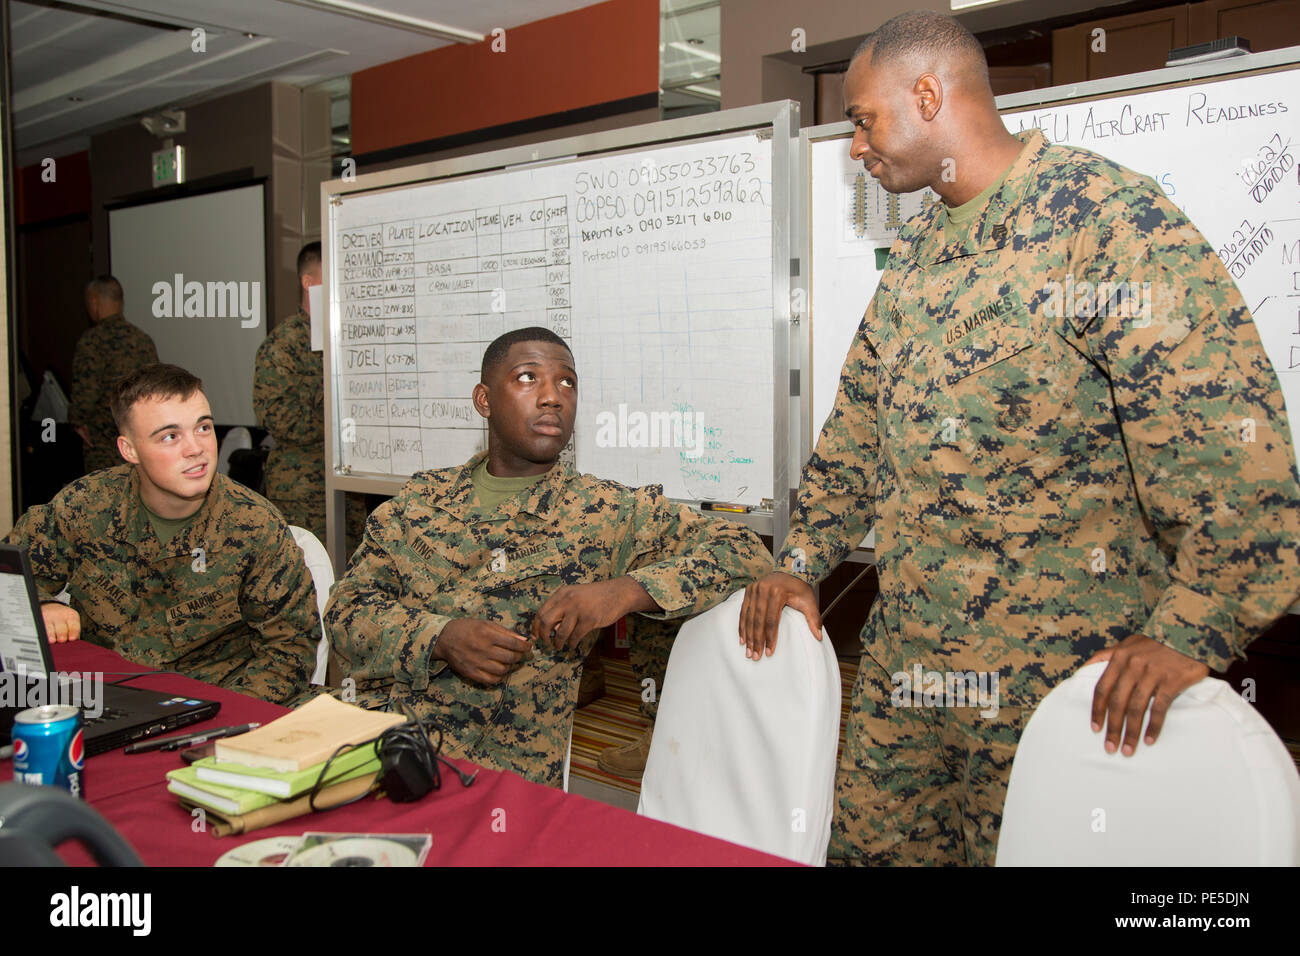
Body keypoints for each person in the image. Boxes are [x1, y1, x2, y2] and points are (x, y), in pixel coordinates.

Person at [739, 11, 1300, 865]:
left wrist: (1193, 630)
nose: (856, 146)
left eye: (863, 120)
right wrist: (799, 561)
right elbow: (856, 434)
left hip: (1063, 695)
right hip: (910, 685)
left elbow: (1236, 454)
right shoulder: (921, 253)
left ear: (928, 95)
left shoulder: (1106, 223)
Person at [325, 327, 773, 787]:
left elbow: (743, 552)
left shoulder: (603, 512)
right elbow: (346, 612)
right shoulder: (420, 500)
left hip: (491, 777)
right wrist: (439, 638)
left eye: (566, 382)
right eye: (526, 378)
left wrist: (622, 592)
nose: (552, 397)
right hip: (375, 747)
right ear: (484, 400)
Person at [7, 363, 320, 705]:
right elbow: (9, 574)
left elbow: (290, 649)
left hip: (216, 702)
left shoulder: (254, 525)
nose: (196, 449)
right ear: (130, 450)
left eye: (203, 428)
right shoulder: (85, 506)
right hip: (106, 700)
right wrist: (41, 603)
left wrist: (224, 713)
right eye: (170, 436)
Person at [253, 241, 367, 546]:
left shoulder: (345, 338)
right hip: (302, 490)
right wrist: (336, 418)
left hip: (349, 486)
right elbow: (277, 417)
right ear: (308, 282)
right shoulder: (283, 344)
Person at [69, 276, 159, 474]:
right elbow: (156, 390)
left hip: (103, 443)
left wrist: (77, 422)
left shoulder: (92, 341)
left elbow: (85, 394)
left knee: (103, 499)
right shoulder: (143, 340)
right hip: (140, 441)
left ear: (93, 301)